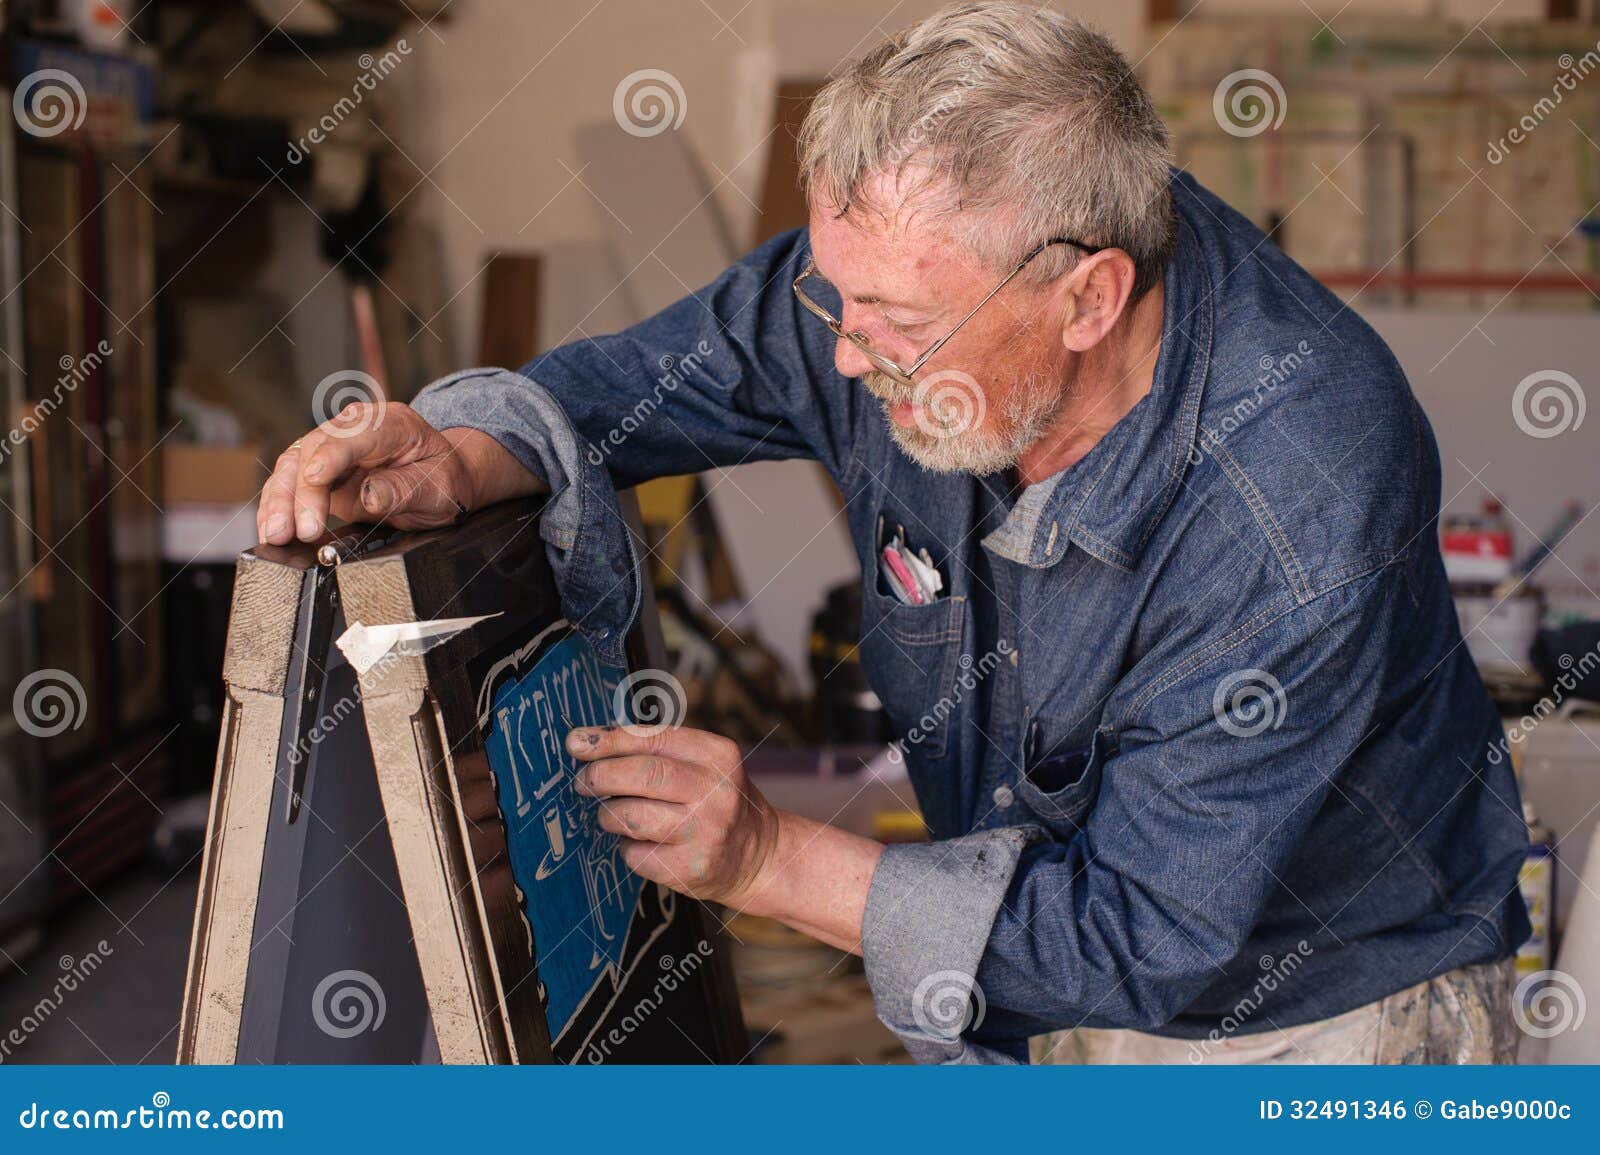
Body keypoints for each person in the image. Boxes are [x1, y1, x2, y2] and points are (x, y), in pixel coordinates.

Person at [260, 3, 1527, 1064]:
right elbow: (652, 382)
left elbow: (1138, 934)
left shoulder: (1295, 491)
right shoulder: (895, 289)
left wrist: (765, 859)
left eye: (898, 324)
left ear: (1087, 297)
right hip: (1023, 989)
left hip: (1309, 1022)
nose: (846, 354)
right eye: (834, 294)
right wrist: (467, 452)